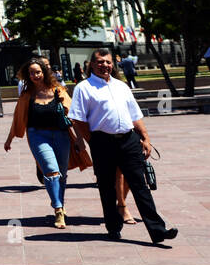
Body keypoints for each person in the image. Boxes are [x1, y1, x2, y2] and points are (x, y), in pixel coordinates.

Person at [70, 47, 177, 244]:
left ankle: (158, 231)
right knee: (107, 187)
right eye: (100, 62)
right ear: (92, 64)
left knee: (140, 186)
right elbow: (78, 119)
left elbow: (135, 115)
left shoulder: (122, 86)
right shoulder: (83, 88)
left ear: (113, 64)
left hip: (129, 141)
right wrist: (92, 141)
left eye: (108, 62)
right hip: (102, 142)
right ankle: (113, 227)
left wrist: (145, 137)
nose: (105, 65)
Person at [3, 57, 91, 229]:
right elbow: (17, 118)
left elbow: (73, 115)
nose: (35, 75)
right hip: (38, 136)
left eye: (38, 72)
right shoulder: (27, 95)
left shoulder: (58, 91)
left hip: (61, 135)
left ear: (44, 72)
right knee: (51, 171)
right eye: (31, 73)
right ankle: (58, 209)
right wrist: (9, 139)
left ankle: (60, 203)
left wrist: (80, 139)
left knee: (62, 174)